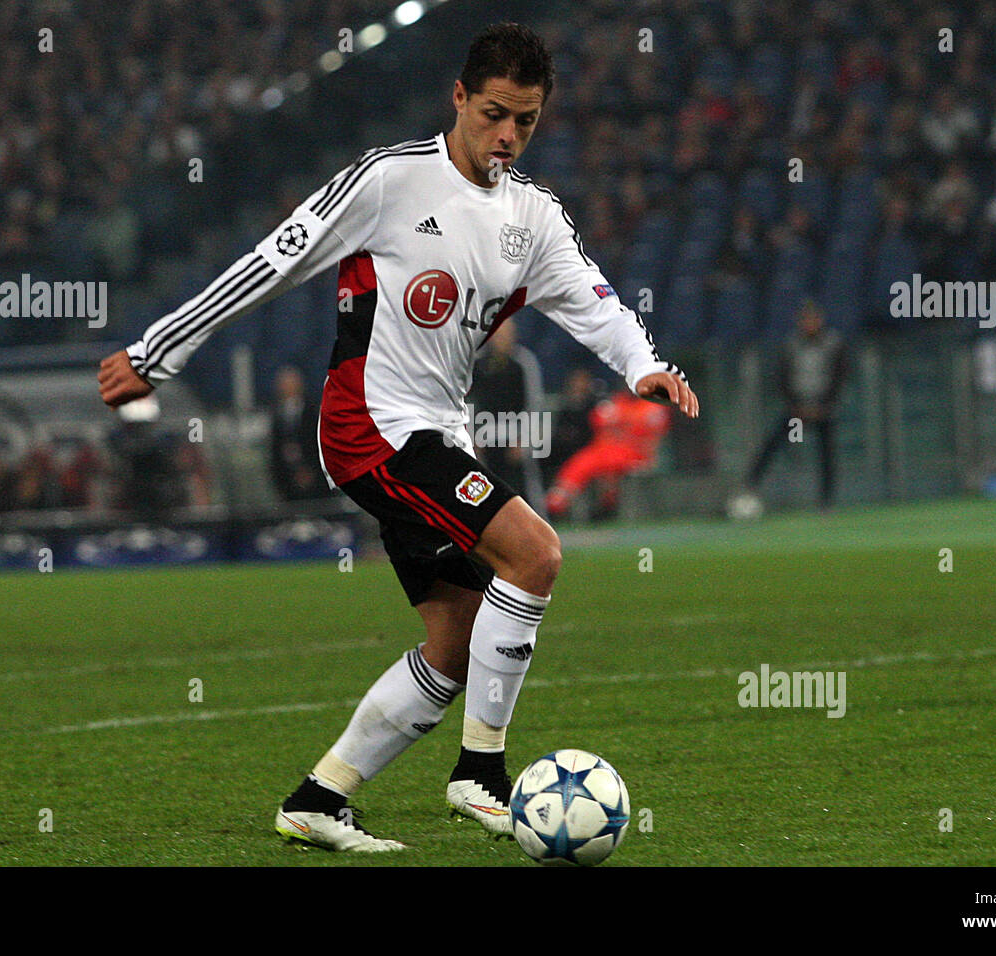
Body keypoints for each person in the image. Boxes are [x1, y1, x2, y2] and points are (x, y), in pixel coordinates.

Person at [98, 22, 699, 852]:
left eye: (525, 121)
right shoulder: (389, 182)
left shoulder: (532, 217)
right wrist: (159, 349)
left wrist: (644, 367)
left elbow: (595, 306)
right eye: (493, 113)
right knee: (535, 554)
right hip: (367, 427)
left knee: (456, 641)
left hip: (437, 436)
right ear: (457, 96)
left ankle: (320, 798)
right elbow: (270, 262)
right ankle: (480, 775)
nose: (506, 136)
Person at [742, 300, 847, 508]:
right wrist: (795, 405)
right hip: (797, 410)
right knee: (774, 443)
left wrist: (825, 404)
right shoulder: (791, 344)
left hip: (823, 409)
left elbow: (840, 375)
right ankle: (749, 486)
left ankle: (826, 499)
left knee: (826, 452)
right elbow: (782, 377)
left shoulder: (833, 343)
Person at [544, 389, 671, 520]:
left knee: (603, 460)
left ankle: (601, 502)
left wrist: (621, 427)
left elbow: (650, 441)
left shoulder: (652, 408)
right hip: (605, 452)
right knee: (584, 459)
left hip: (636, 454)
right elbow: (599, 422)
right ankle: (560, 497)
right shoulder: (616, 402)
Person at [467, 318, 546, 505]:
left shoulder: (523, 363)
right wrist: (471, 438)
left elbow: (533, 403)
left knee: (525, 486)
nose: (503, 339)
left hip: (515, 434)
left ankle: (538, 523)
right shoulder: (477, 364)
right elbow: (468, 402)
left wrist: (524, 439)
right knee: (483, 487)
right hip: (484, 436)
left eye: (507, 333)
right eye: (499, 335)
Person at [268, 366, 329, 503]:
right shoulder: (277, 415)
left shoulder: (314, 412)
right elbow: (276, 449)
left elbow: (319, 444)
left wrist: (310, 470)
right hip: (288, 482)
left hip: (316, 480)